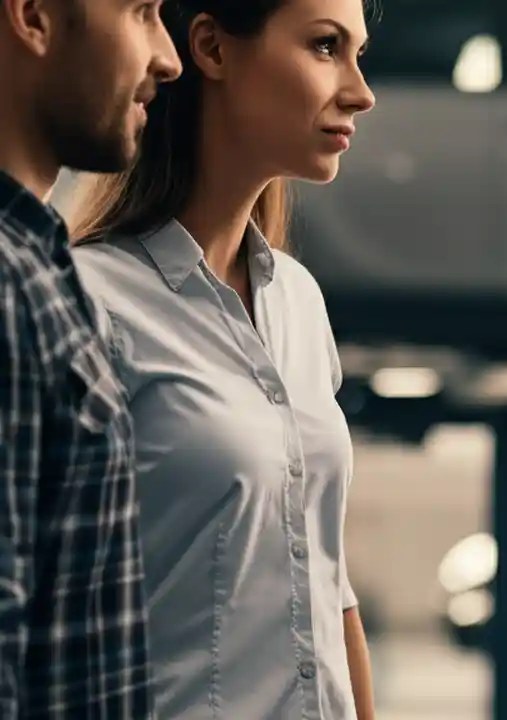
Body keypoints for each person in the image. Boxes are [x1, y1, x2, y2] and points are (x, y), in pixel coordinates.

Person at [65, 0, 376, 716]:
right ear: (209, 47)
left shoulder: (297, 299)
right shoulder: (88, 304)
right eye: (326, 46)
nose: (361, 91)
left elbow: (331, 589)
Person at [0, 0, 180, 715]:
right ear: (36, 15)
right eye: (141, 11)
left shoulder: (37, 265)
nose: (166, 57)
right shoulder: (8, 286)